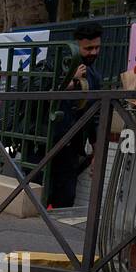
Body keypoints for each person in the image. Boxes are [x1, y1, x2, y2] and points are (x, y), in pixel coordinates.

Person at [46, 22, 103, 208]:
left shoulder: (94, 75)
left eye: (97, 47)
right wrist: (70, 82)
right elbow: (41, 92)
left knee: (64, 199)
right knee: (36, 195)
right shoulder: (54, 63)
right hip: (44, 143)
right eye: (88, 48)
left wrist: (97, 151)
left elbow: (95, 115)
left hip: (71, 147)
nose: (94, 52)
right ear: (76, 46)